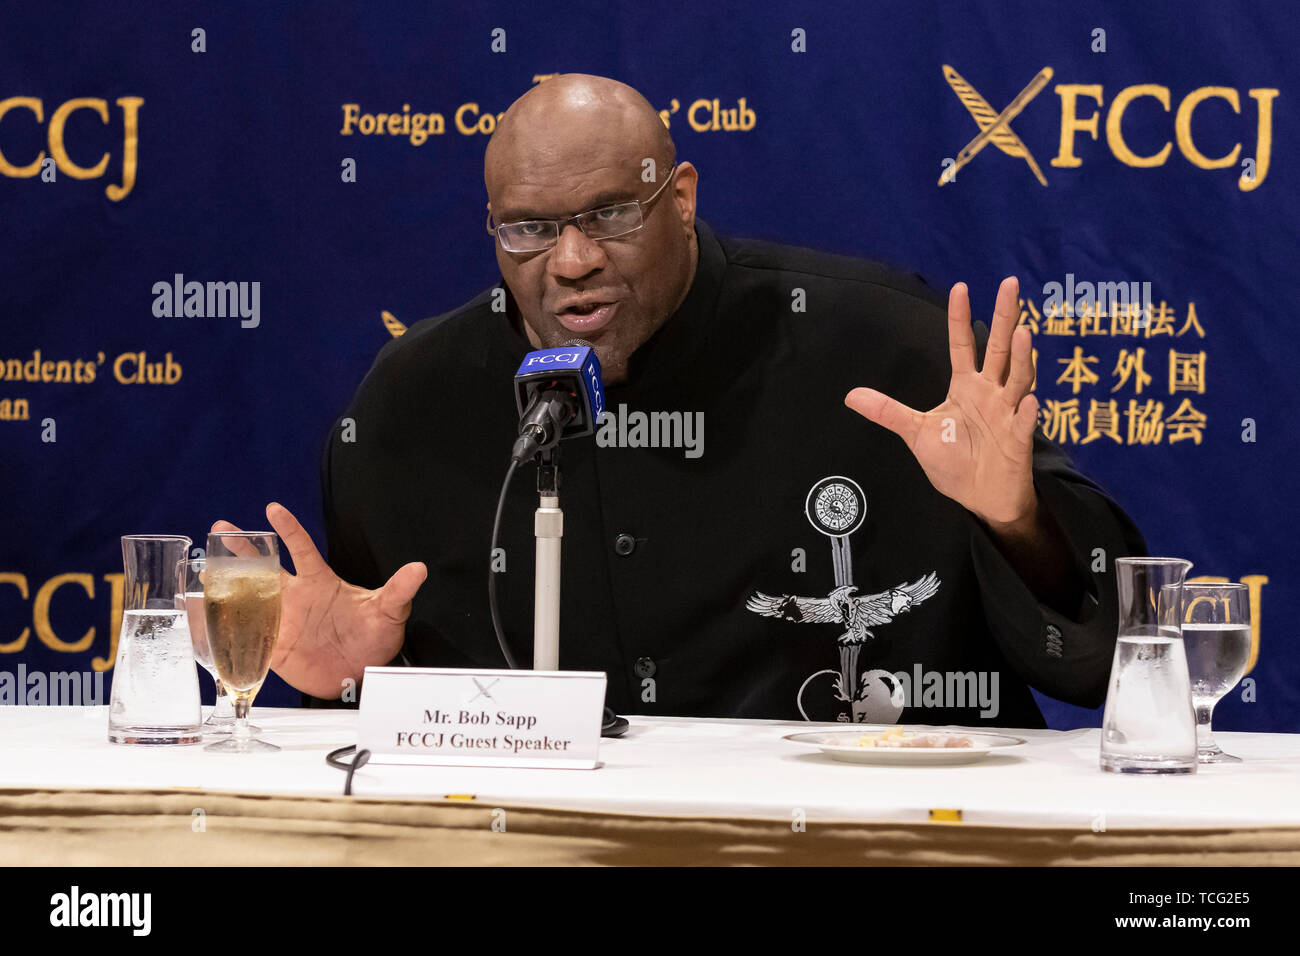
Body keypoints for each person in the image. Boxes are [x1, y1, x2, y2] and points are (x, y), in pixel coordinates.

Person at [215, 74, 1145, 727]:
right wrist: (349, 686)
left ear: (683, 195)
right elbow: (389, 746)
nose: (572, 261)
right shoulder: (405, 409)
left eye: (612, 214)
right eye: (531, 231)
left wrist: (1021, 520)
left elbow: (1108, 665)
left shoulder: (880, 346)